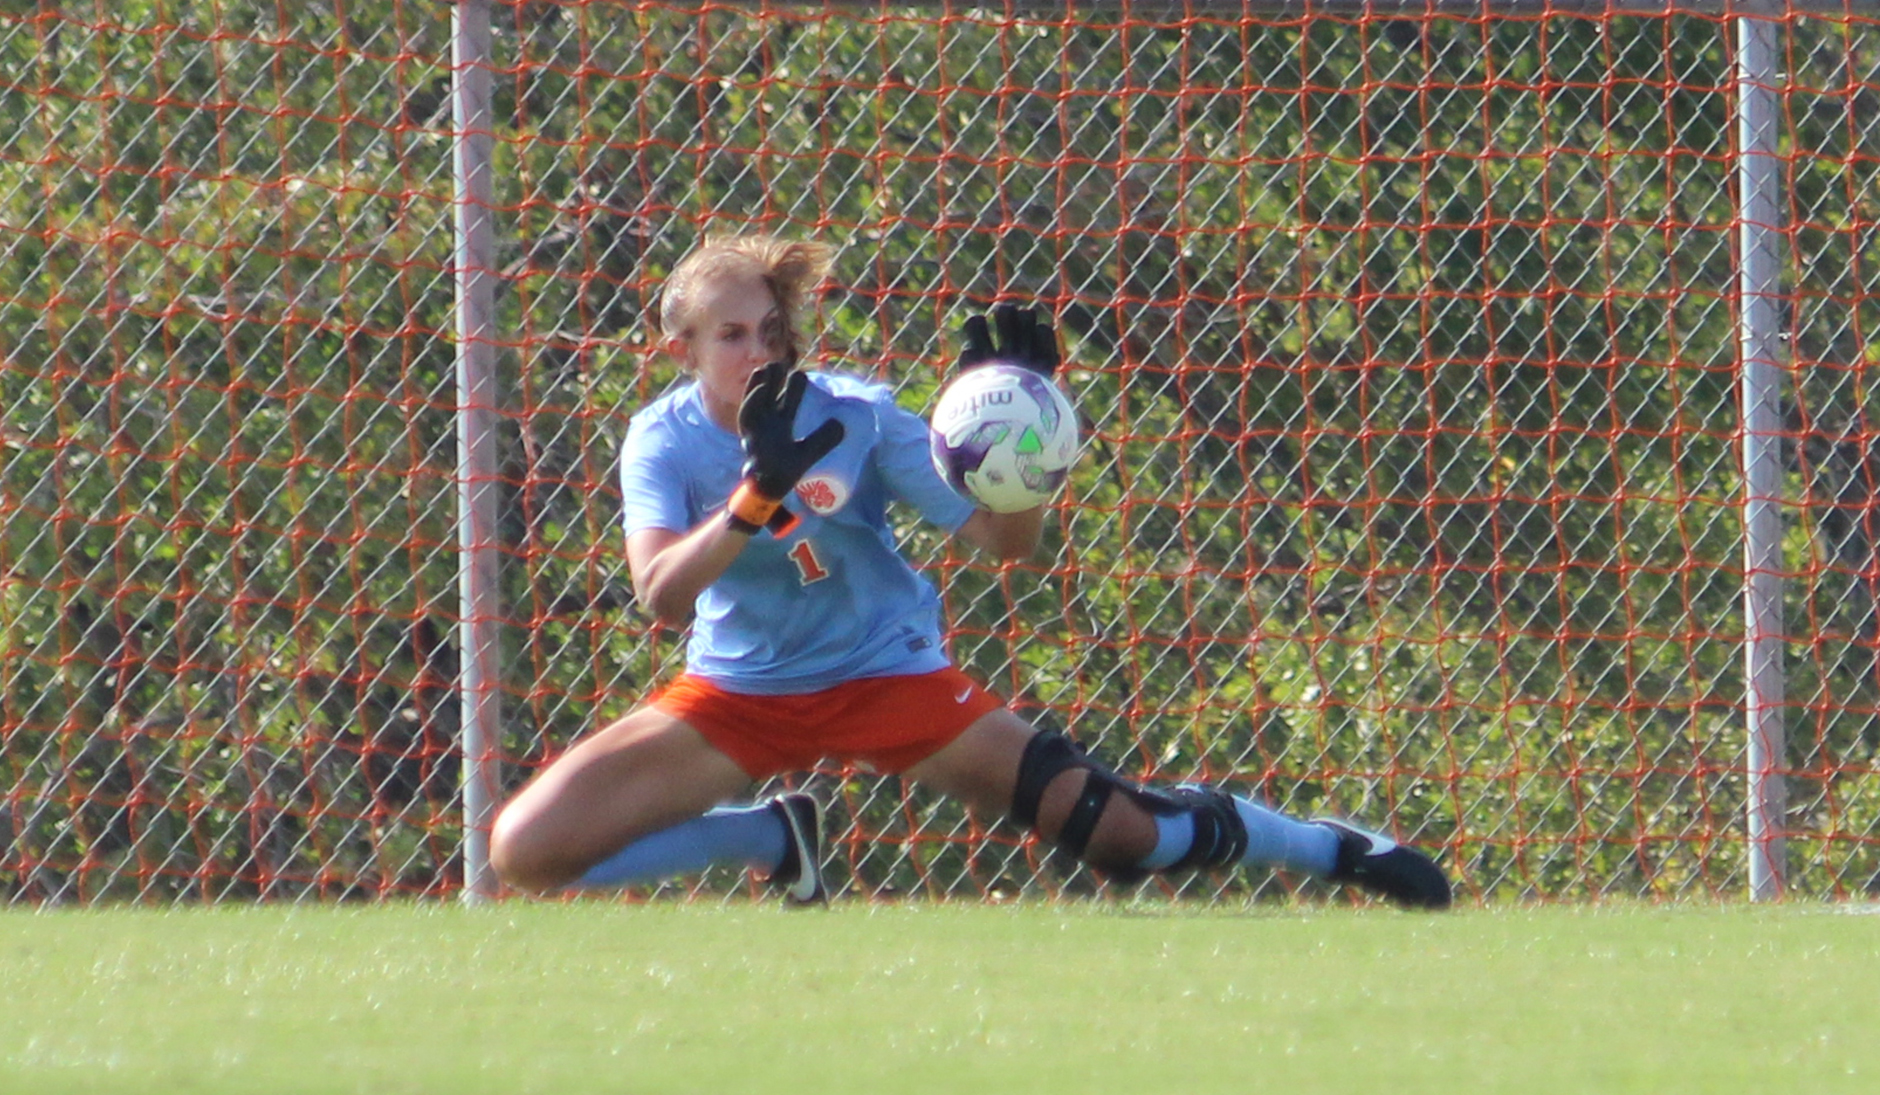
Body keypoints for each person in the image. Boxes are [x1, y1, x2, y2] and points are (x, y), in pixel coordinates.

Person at [488, 233, 1453, 909]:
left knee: (1125, 842)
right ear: (683, 347)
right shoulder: (660, 439)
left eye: (770, 333)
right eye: (731, 335)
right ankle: (772, 838)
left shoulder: (857, 415)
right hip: (738, 694)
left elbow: (1009, 546)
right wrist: (757, 493)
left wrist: (1028, 439)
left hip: (888, 674)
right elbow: (662, 596)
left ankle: (1333, 848)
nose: (755, 351)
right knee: (524, 854)